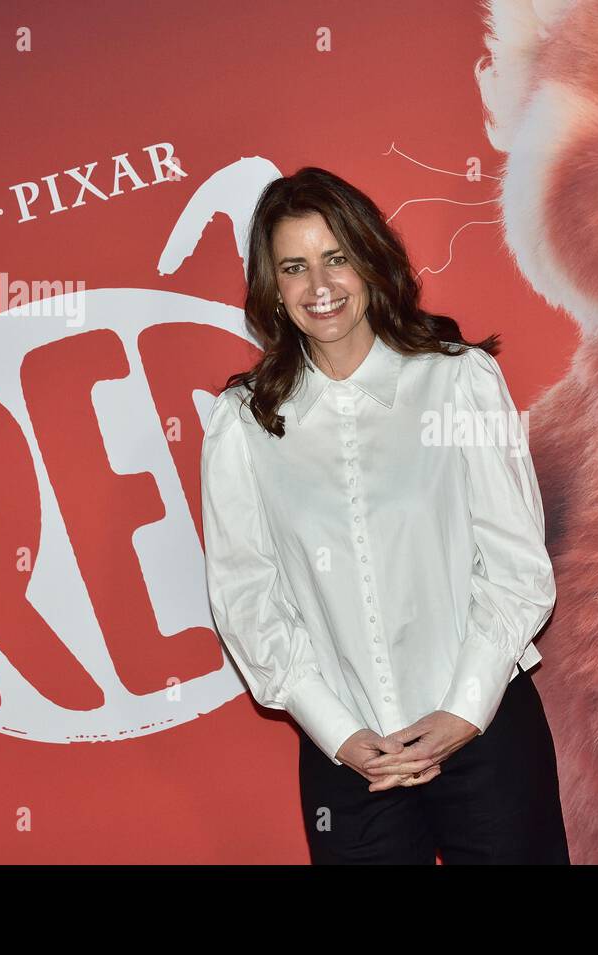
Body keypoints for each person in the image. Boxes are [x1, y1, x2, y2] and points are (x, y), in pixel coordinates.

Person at [199, 166, 569, 864]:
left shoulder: (460, 379)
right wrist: (338, 731)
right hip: (348, 763)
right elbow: (247, 599)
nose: (320, 285)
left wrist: (463, 709)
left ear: (370, 260)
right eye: (294, 266)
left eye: (336, 256)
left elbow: (518, 567)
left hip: (487, 736)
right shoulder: (242, 424)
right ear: (272, 288)